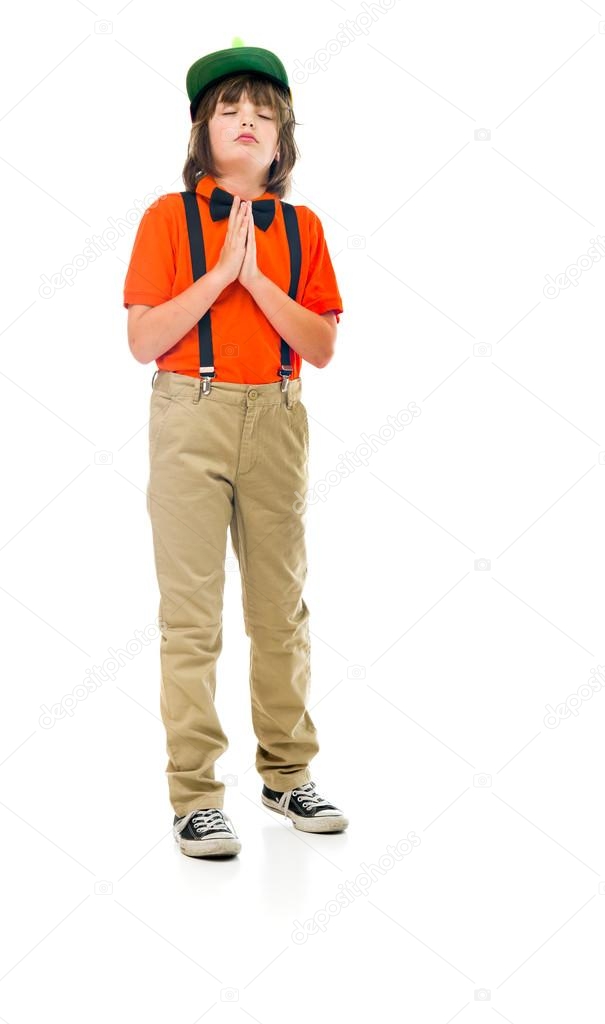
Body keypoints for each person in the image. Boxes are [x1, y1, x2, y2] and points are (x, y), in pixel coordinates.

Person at [123, 44, 348, 859]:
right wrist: (220, 275)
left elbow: (319, 344)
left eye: (262, 110)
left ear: (282, 135)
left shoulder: (304, 227)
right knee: (190, 621)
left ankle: (288, 775)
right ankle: (195, 795)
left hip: (279, 418)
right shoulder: (166, 217)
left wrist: (256, 281)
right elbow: (144, 337)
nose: (247, 120)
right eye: (228, 109)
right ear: (200, 130)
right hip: (191, 412)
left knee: (279, 611)